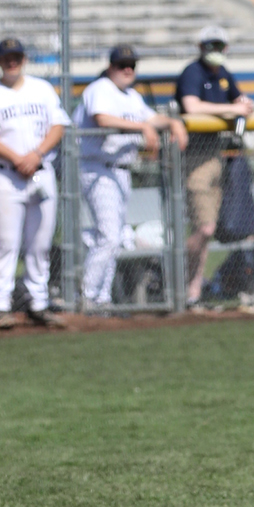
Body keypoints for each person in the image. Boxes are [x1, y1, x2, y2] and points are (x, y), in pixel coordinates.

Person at [74, 45, 185, 310]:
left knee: (115, 237)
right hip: (98, 168)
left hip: (121, 171)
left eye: (131, 65)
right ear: (110, 66)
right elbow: (101, 118)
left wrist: (173, 122)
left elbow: (151, 118)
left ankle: (102, 299)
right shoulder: (100, 88)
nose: (127, 69)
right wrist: (143, 127)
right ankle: (87, 295)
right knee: (110, 236)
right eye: (122, 64)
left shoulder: (131, 96)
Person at [0, 37, 70, 328]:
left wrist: (37, 154)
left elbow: (58, 125)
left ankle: (37, 302)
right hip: (6, 174)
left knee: (40, 243)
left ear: (24, 59)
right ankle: (1, 305)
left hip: (41, 171)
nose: (11, 62)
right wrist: (18, 158)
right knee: (6, 243)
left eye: (16, 56)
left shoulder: (41, 88)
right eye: (6, 57)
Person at [174, 25, 254, 305]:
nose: (215, 52)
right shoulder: (192, 73)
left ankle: (193, 290)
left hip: (218, 158)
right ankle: (178, 279)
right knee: (204, 228)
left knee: (210, 230)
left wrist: (242, 102)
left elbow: (238, 99)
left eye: (219, 46)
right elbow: (192, 106)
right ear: (200, 47)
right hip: (195, 158)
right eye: (210, 46)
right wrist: (232, 109)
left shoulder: (223, 75)